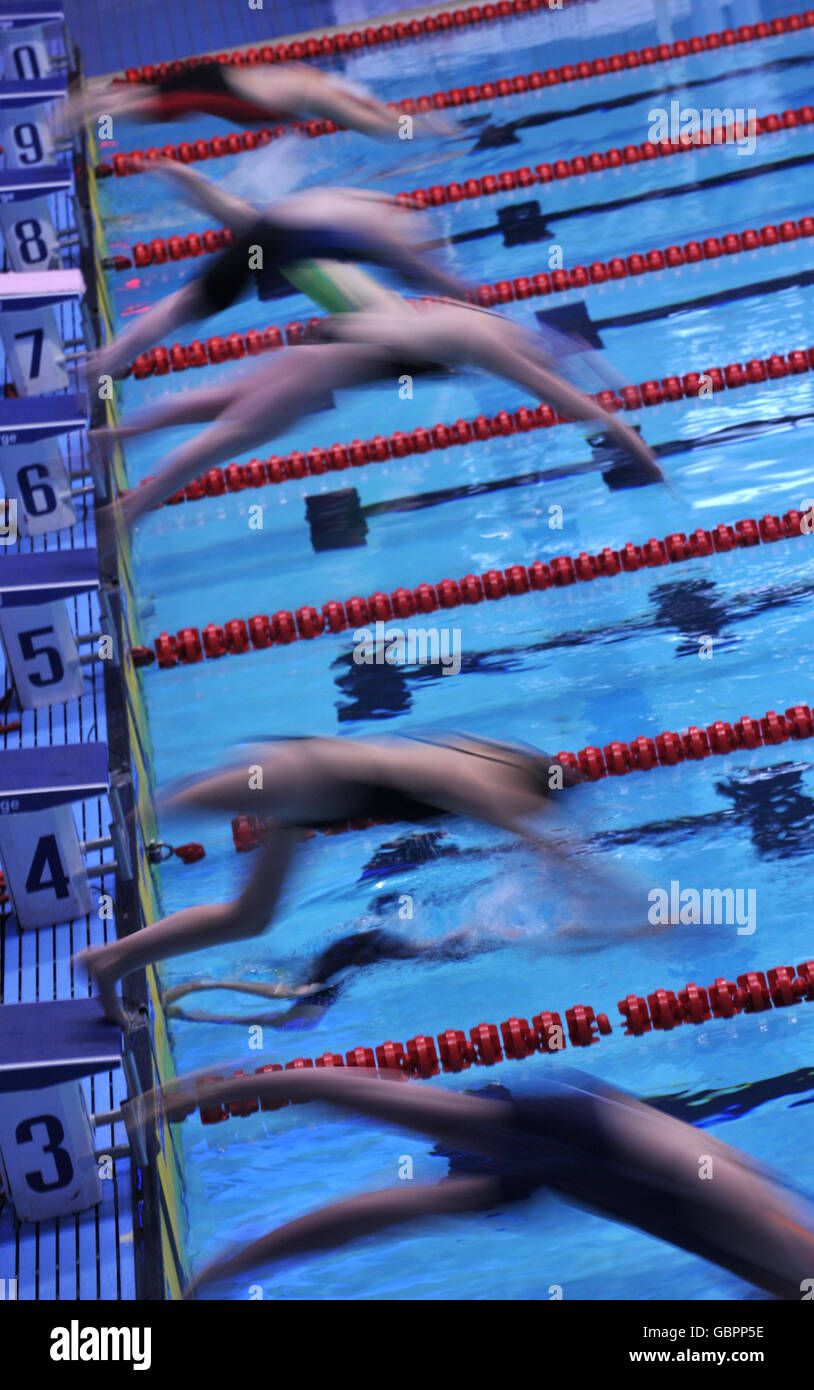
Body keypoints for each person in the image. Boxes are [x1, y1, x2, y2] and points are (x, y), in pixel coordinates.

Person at [138, 1065, 814, 1300]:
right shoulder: (793, 1245)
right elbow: (711, 1179)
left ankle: (228, 1268)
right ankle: (214, 1097)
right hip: (585, 1143)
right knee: (392, 1125)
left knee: (400, 1196)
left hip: (589, 1150)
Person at [76, 733, 581, 1027]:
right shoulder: (484, 780)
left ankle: (108, 962)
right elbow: (533, 834)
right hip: (308, 777)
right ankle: (65, 838)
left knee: (249, 917)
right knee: (146, 813)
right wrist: (634, 908)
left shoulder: (485, 756)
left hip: (311, 795)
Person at [96, 290, 663, 526]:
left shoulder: (490, 322)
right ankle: (124, 515)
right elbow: (582, 409)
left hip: (324, 347)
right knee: (224, 438)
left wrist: (601, 371)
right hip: (323, 368)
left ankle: (106, 444)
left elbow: (567, 361)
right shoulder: (494, 348)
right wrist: (646, 458)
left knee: (215, 406)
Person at [86, 157, 468, 381]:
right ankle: (104, 363)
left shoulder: (388, 211)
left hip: (291, 237)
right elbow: (420, 275)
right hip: (292, 251)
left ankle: (191, 183)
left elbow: (418, 274)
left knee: (242, 225)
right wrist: (462, 294)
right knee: (192, 302)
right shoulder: (395, 318)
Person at [59, 60, 440, 141]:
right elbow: (376, 125)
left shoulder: (322, 78)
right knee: (140, 110)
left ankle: (70, 108)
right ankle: (63, 125)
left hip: (215, 75)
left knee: (144, 98)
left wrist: (415, 121)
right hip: (226, 95)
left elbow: (374, 109)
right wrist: (423, 132)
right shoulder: (323, 95)